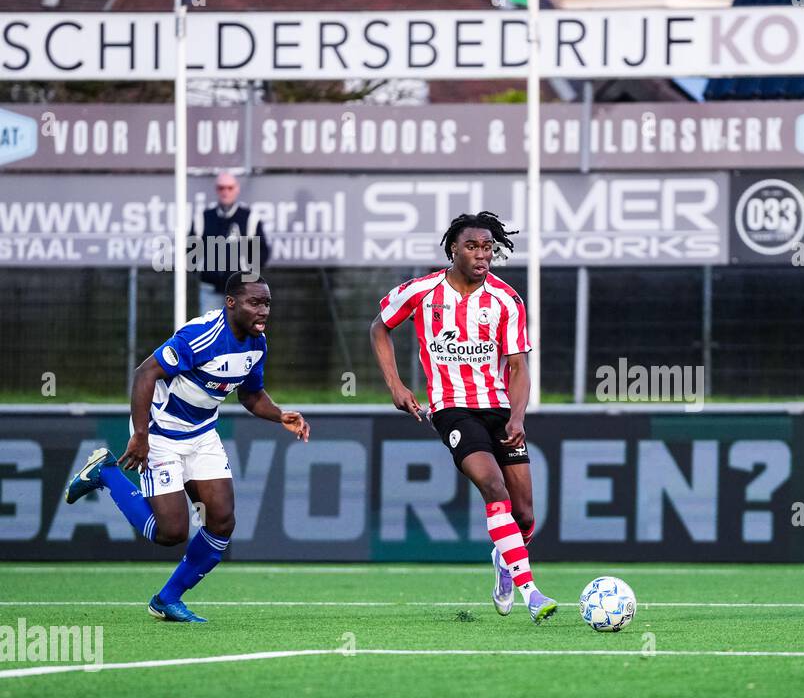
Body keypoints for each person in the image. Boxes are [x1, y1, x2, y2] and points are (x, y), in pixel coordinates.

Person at [63, 274, 309, 622]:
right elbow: (144, 374)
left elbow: (251, 395)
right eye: (255, 302)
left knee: (221, 520)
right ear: (231, 303)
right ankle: (106, 474)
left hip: (201, 433)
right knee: (172, 533)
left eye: (267, 302)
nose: (264, 310)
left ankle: (167, 598)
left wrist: (281, 415)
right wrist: (141, 436)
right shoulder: (201, 335)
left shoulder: (257, 343)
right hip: (159, 431)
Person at [369, 211, 555, 624]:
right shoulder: (422, 291)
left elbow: (519, 367)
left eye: (488, 247)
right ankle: (532, 592)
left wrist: (518, 416)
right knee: (492, 485)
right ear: (453, 248)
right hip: (451, 408)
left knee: (524, 515)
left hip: (500, 409)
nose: (482, 254)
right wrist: (396, 386)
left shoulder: (507, 299)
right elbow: (379, 328)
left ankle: (504, 560)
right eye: (472, 246)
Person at [191, 173, 271, 312]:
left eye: (229, 187)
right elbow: (190, 250)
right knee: (211, 332)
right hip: (210, 290)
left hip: (241, 292)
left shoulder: (249, 218)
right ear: (216, 190)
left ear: (236, 189)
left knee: (240, 332)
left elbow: (262, 251)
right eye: (221, 188)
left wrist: (248, 275)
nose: (225, 192)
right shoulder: (203, 218)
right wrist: (204, 271)